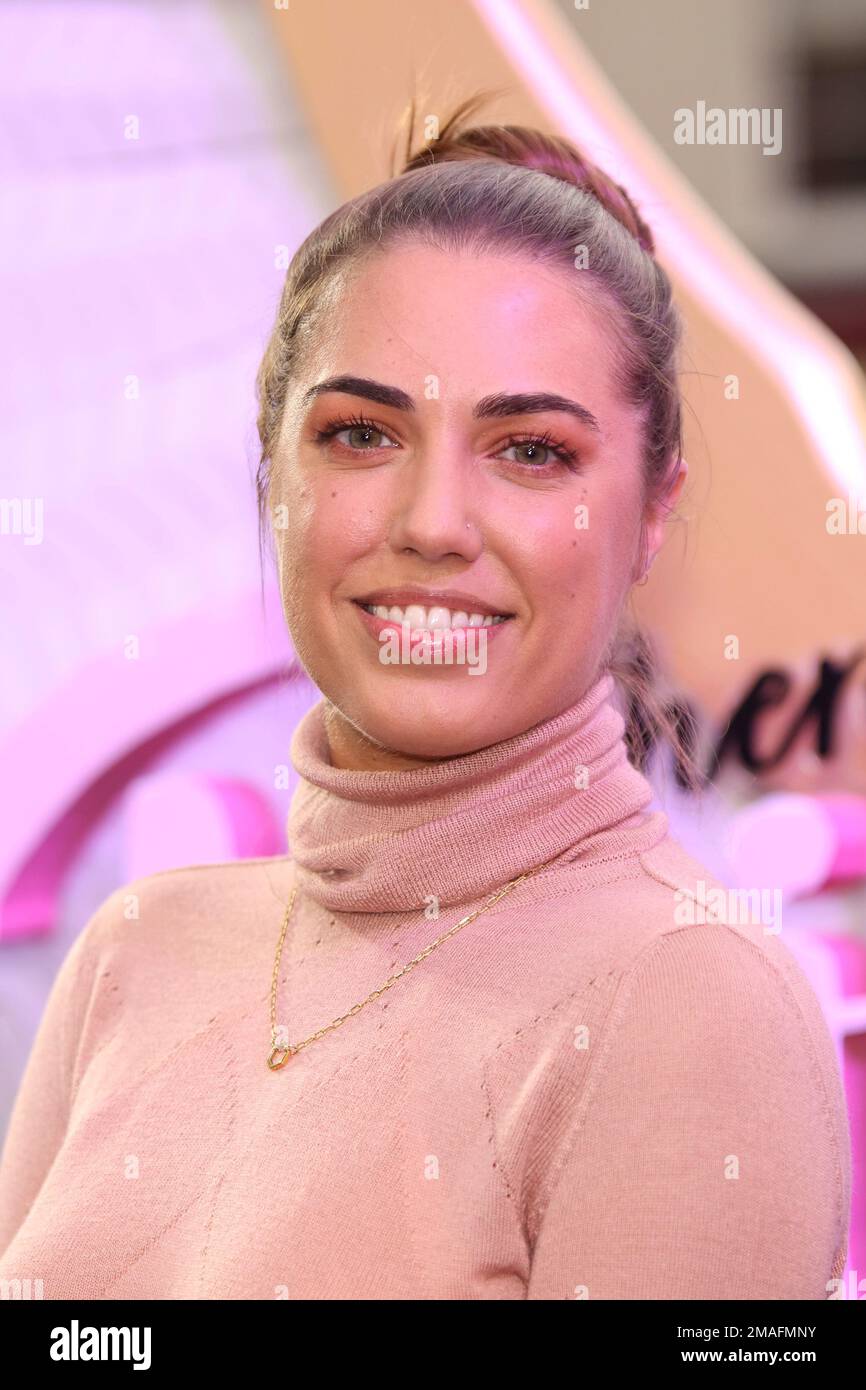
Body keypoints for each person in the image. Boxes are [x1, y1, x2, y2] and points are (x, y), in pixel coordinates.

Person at [0, 95, 850, 1300]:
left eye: (529, 450)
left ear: (653, 509)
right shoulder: (137, 951)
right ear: (271, 470)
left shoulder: (688, 1004)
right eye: (359, 435)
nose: (431, 522)